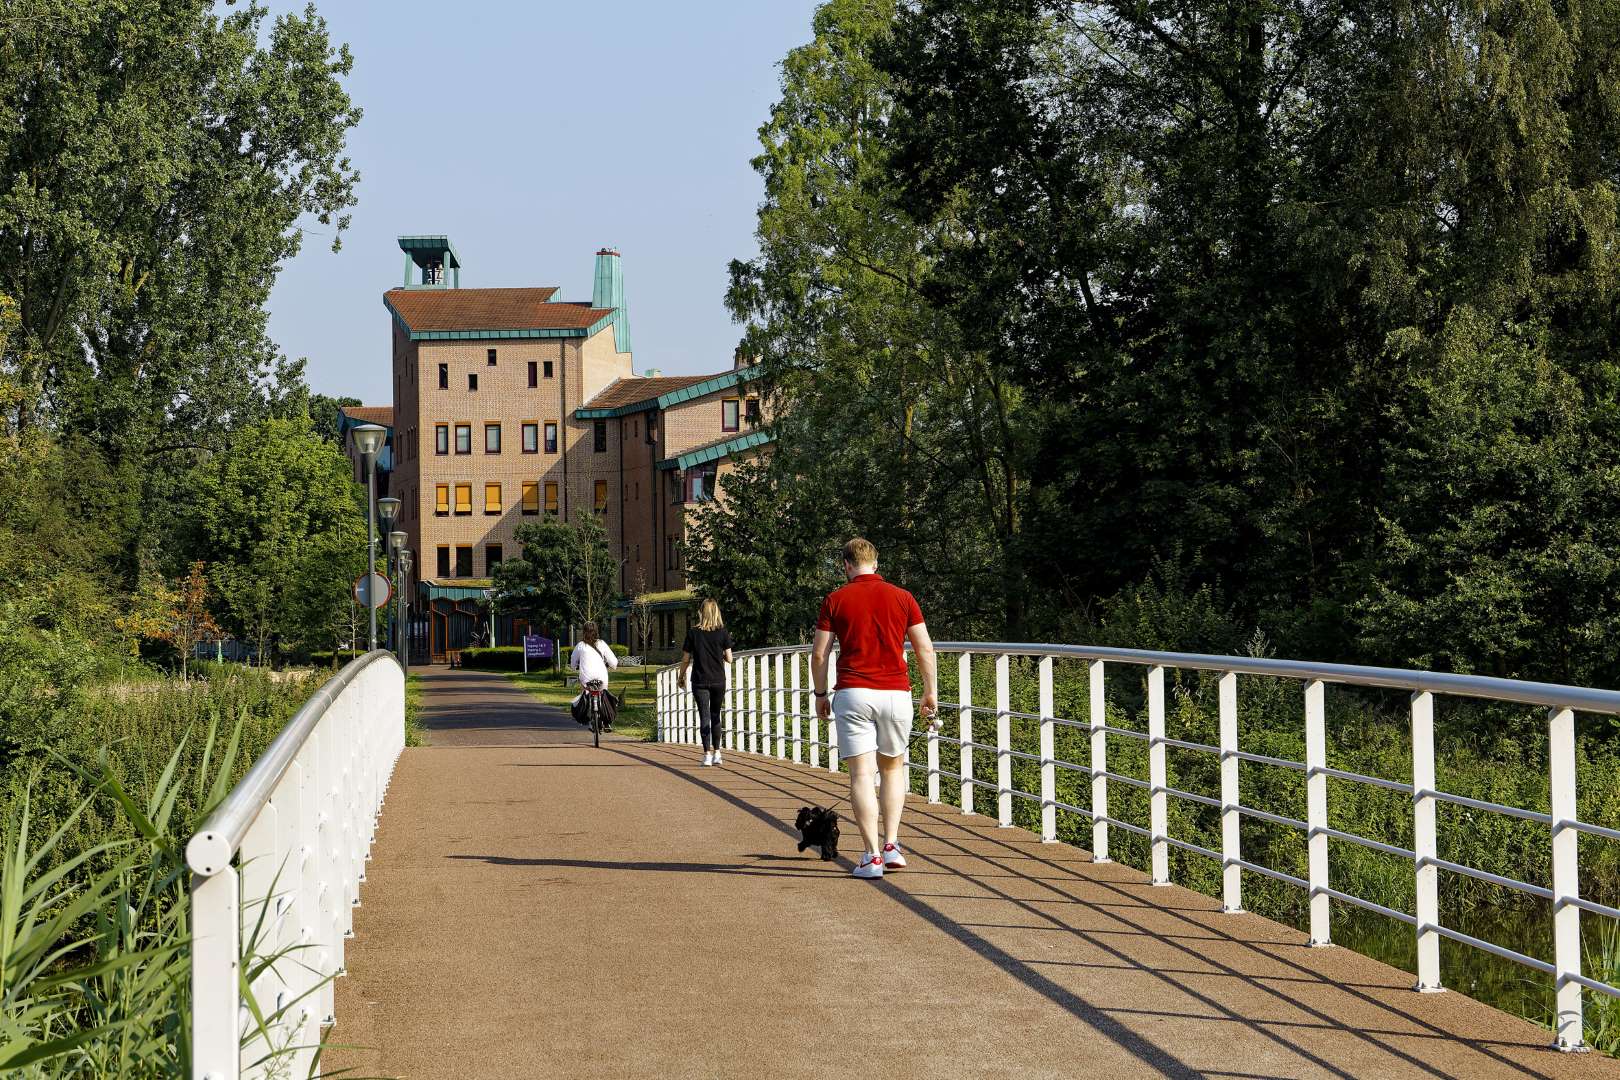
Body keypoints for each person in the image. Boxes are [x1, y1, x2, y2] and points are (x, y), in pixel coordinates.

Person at [811, 538, 937, 879]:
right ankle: (892, 845)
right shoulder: (903, 597)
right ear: (876, 564)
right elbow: (925, 648)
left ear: (847, 566)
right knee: (893, 770)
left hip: (853, 692)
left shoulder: (835, 600)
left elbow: (820, 654)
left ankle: (870, 857)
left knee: (862, 775)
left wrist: (821, 693)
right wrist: (930, 692)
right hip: (896, 693)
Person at [678, 599, 734, 766]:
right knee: (716, 715)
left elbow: (686, 659)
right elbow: (730, 659)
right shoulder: (723, 632)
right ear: (717, 612)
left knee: (704, 716)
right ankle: (718, 753)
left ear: (701, 612)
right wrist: (719, 655)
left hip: (700, 680)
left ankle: (707, 754)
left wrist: (681, 676)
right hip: (718, 680)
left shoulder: (693, 633)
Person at [569, 621, 619, 731]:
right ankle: (607, 722)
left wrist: (574, 667)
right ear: (597, 631)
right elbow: (614, 662)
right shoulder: (602, 643)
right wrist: (612, 665)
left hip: (586, 679)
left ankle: (589, 718)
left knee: (586, 693)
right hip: (602, 677)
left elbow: (573, 661)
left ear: (584, 632)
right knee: (603, 692)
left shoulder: (580, 645)